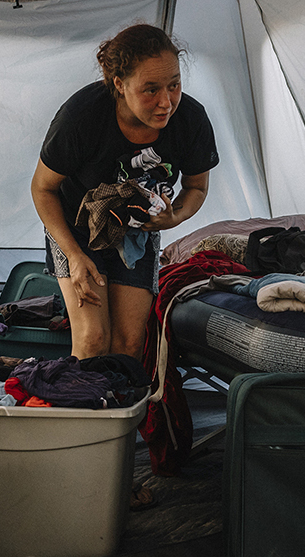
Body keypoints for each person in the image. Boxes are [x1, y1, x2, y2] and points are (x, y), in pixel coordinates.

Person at [31, 24, 219, 359]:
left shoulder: (191, 120)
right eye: (150, 90)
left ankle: (119, 396)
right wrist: (73, 256)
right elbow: (42, 189)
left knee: (130, 344)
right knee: (93, 338)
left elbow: (196, 187)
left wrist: (174, 217)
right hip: (77, 228)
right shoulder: (81, 116)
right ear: (120, 84)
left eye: (174, 85)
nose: (166, 102)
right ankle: (81, 394)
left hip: (136, 232)